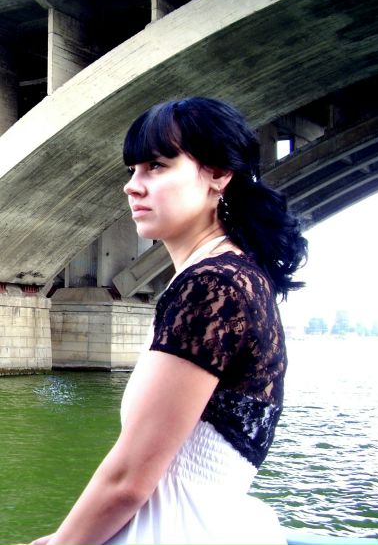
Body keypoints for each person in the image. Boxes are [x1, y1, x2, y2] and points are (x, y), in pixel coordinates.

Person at [24, 97, 307, 545]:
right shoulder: (236, 276)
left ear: (218, 174)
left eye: (156, 166)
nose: (131, 187)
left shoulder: (212, 286)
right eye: (132, 169)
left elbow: (130, 479)